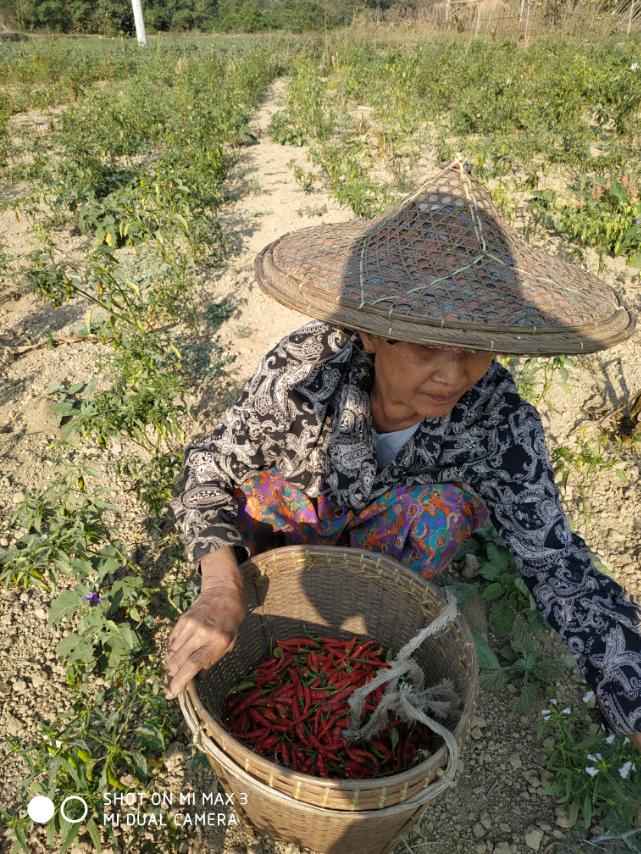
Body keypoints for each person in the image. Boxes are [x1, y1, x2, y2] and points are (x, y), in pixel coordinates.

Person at [164, 162, 641, 750]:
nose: (452, 373)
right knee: (259, 489)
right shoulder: (307, 370)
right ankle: (268, 602)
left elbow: (560, 571)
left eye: (476, 347)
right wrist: (218, 586)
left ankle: (368, 616)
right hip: (293, 530)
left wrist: (634, 698)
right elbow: (209, 467)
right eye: (425, 343)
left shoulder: (500, 421)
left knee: (439, 508)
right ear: (369, 330)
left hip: (386, 549)